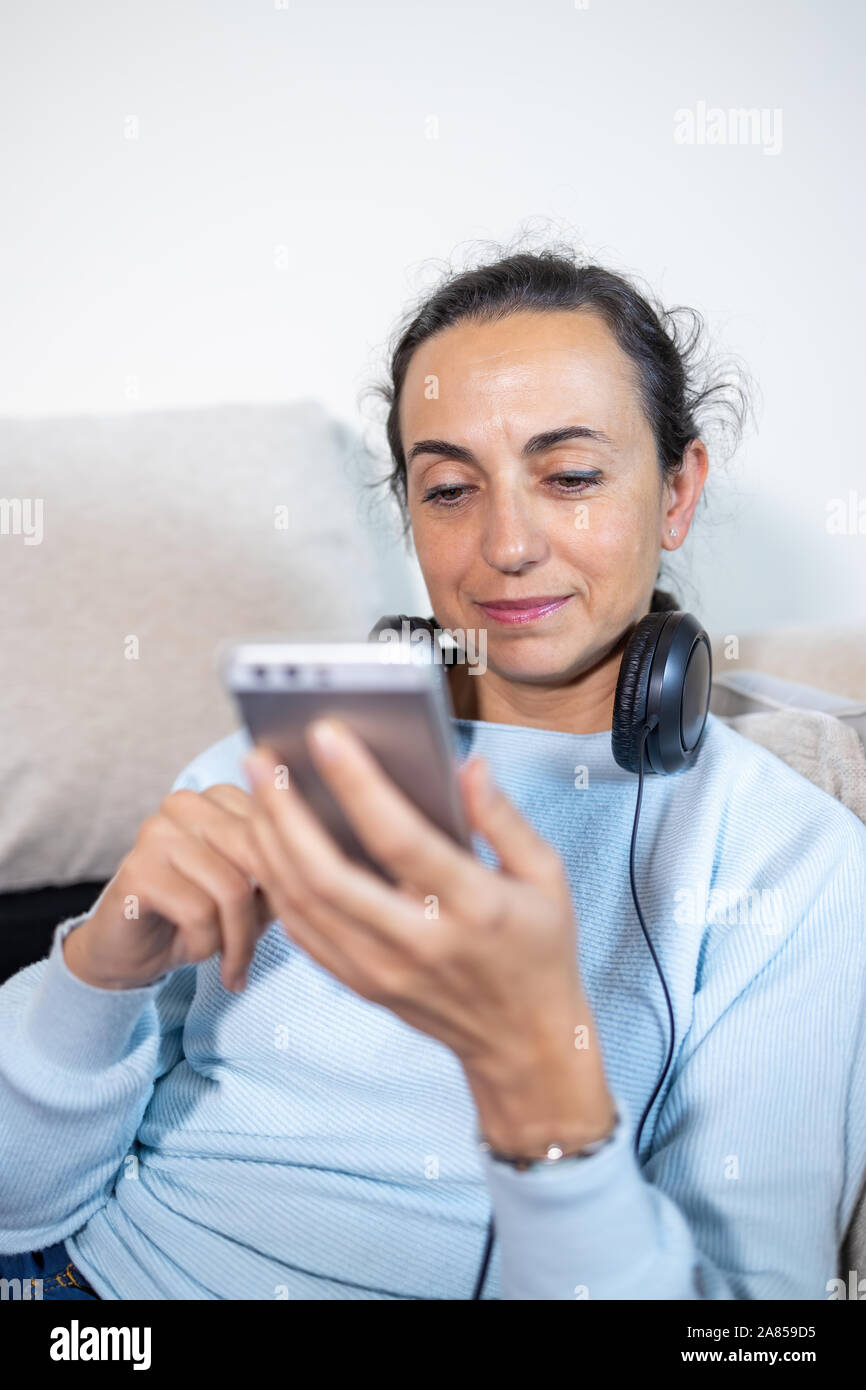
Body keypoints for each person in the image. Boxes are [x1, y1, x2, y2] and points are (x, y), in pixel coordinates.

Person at [1, 246, 865, 1301]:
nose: (504, 543)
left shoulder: (789, 855)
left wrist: (533, 1077)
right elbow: (17, 1206)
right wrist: (96, 976)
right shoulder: (274, 761)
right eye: (449, 488)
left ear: (676, 492)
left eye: (570, 476)